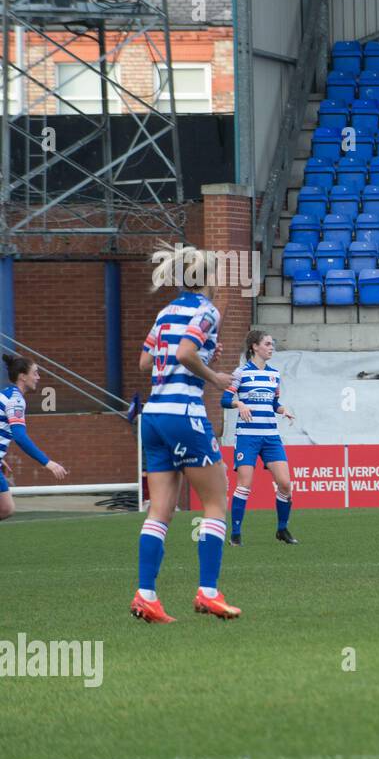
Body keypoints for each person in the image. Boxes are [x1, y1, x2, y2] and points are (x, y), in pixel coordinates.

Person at [132, 245, 240, 623]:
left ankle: (147, 595)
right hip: (184, 414)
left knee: (160, 510)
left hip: (155, 415)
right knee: (216, 500)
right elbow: (184, 353)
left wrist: (201, 352)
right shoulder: (205, 310)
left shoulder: (166, 311)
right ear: (208, 279)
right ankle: (208, 592)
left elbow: (147, 360)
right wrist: (215, 377)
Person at [223, 330, 298, 546]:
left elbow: (273, 404)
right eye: (267, 343)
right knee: (245, 484)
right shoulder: (240, 373)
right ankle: (236, 534)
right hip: (247, 437)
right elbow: (225, 399)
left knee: (285, 484)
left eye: (272, 344)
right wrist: (240, 403)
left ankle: (282, 529)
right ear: (254, 347)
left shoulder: (274, 374)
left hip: (271, 436)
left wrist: (283, 410)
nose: (271, 347)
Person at [0, 354, 69, 520]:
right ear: (23, 376)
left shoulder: (7, 394)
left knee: (6, 508)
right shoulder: (16, 400)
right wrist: (48, 463)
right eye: (35, 373)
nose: (38, 377)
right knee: (6, 508)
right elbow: (20, 437)